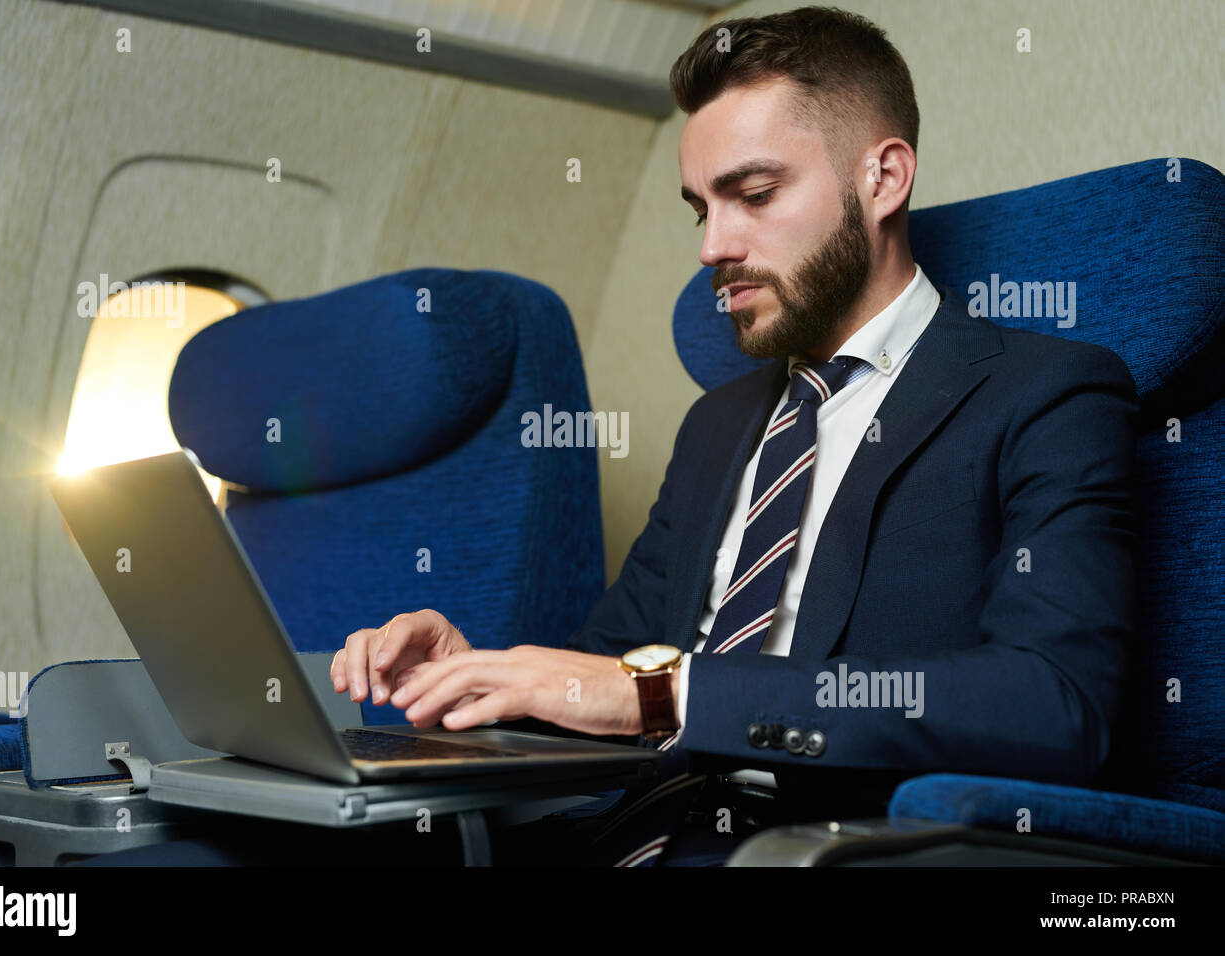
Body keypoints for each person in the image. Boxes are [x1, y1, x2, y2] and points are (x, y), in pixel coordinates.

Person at [330, 6, 1140, 866]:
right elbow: (615, 663)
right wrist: (485, 674)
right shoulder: (719, 424)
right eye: (699, 210)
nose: (714, 246)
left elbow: (1054, 704)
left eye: (754, 196)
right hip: (626, 831)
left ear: (884, 177)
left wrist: (667, 694)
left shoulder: (1043, 393)